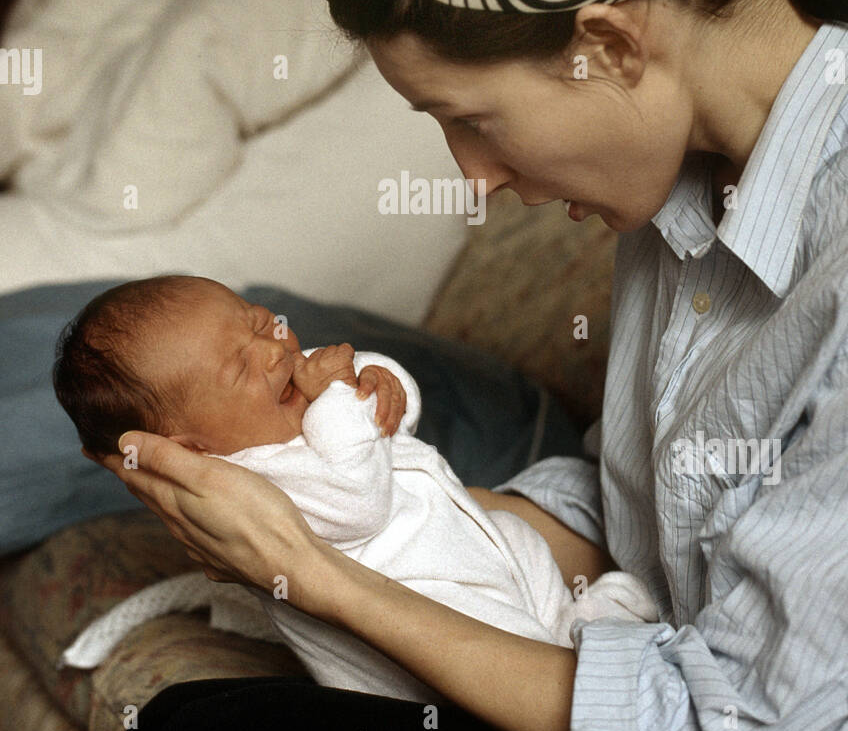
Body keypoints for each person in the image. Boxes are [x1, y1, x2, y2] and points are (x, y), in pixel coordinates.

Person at [83, 0, 848, 731]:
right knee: (197, 729)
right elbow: (655, 498)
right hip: (694, 730)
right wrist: (363, 516)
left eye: (472, 119)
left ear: (610, 44)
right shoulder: (685, 156)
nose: (474, 180)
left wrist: (319, 577)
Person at [52, 273, 657, 697]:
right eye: (239, 367)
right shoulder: (250, 479)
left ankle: (580, 631)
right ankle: (581, 664)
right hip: (431, 637)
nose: (271, 351)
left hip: (479, 557)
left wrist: (381, 382)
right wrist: (339, 394)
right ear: (189, 450)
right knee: (539, 652)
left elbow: (384, 410)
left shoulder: (290, 390)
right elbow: (358, 498)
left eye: (261, 323)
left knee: (535, 558)